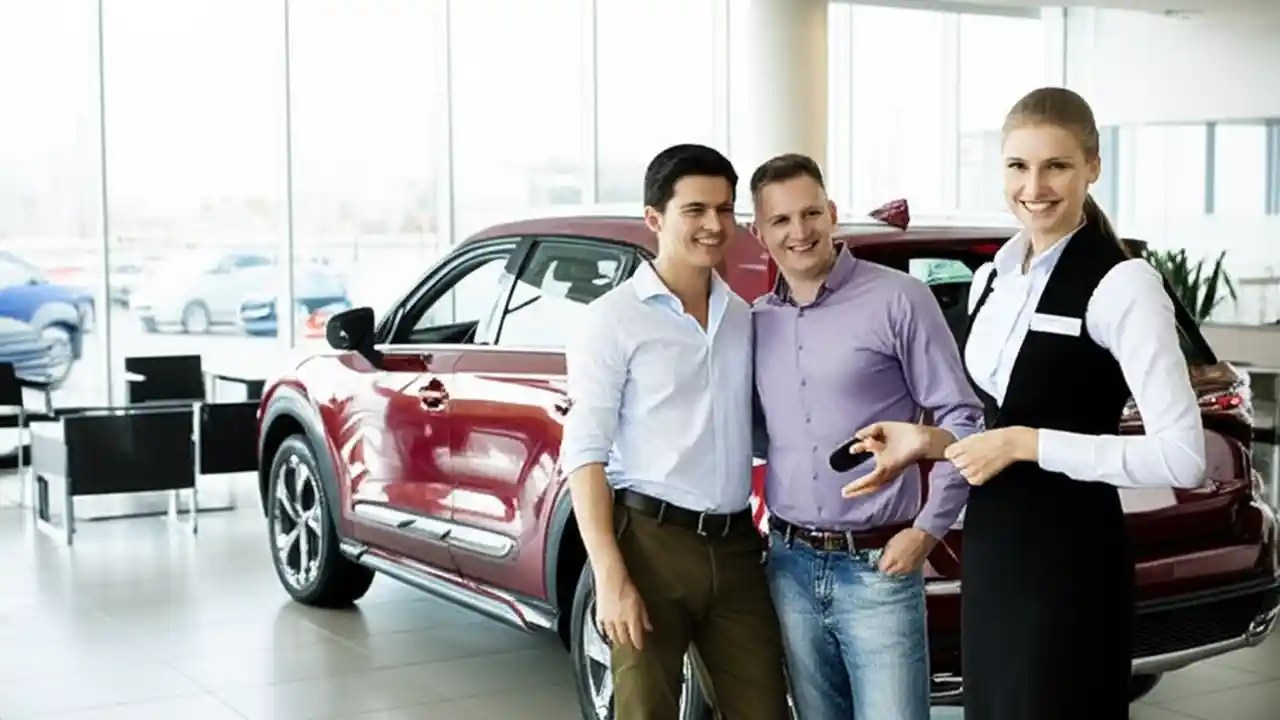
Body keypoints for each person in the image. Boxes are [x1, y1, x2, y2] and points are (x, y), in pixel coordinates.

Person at [843, 87, 1207, 719]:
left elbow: (1183, 459)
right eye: (1018, 166)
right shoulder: (993, 279)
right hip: (995, 551)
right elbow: (993, 429)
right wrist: (927, 443)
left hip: (1070, 561)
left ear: (1093, 167)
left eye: (1056, 166)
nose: (1034, 186)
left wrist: (1027, 443)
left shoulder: (1123, 285)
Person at [749, 152, 984, 720]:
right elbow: (760, 435)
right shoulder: (756, 320)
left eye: (810, 213)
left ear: (832, 214)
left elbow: (962, 418)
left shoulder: (899, 298)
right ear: (759, 234)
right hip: (789, 564)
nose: (799, 232)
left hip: (879, 565)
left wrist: (927, 532)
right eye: (780, 221)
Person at [559, 143, 789, 720]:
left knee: (764, 710)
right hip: (649, 542)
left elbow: (762, 429)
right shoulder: (612, 320)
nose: (715, 225)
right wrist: (610, 577)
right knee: (646, 712)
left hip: (736, 546)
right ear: (655, 218)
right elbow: (583, 452)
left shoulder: (742, 316)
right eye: (696, 210)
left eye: (725, 209)